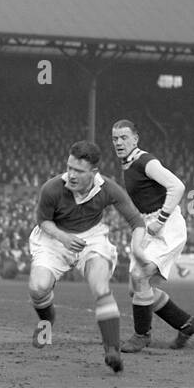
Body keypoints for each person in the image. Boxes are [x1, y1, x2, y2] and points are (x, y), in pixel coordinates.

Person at [27, 140, 146, 372]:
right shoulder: (51, 188)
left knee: (100, 285)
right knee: (38, 288)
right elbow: (43, 221)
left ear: (93, 172)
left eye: (79, 171)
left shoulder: (108, 189)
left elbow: (137, 222)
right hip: (53, 239)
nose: (71, 175)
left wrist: (139, 251)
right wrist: (63, 238)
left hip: (91, 238)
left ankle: (112, 350)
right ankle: (47, 319)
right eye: (69, 167)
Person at [110, 119, 194, 351]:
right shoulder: (128, 164)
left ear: (135, 138)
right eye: (115, 138)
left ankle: (142, 335)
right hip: (148, 225)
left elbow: (178, 186)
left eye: (124, 137)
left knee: (141, 275)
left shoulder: (145, 161)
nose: (119, 142)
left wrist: (160, 219)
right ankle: (186, 324)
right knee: (136, 287)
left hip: (166, 226)